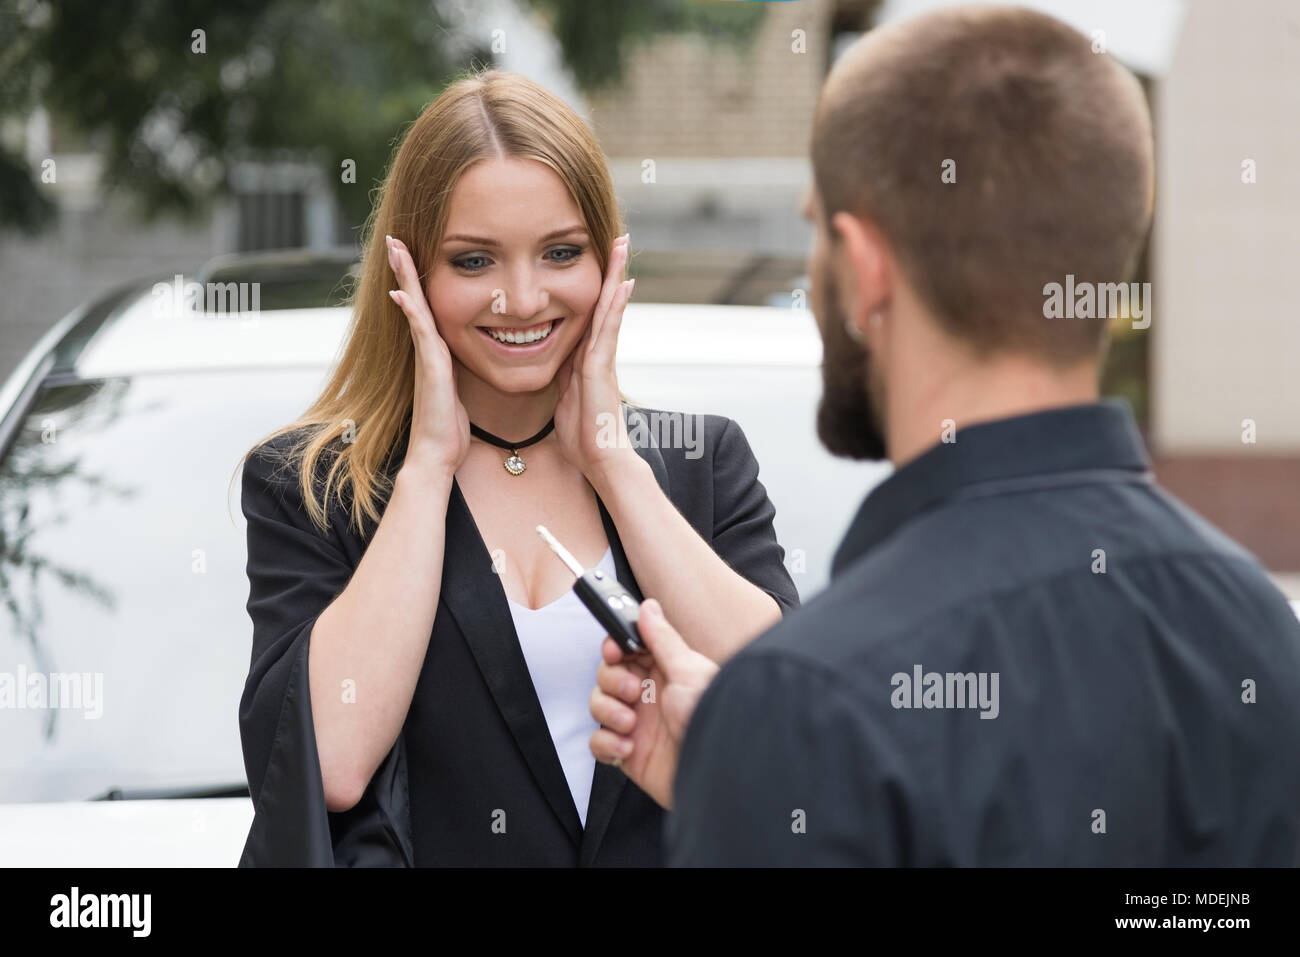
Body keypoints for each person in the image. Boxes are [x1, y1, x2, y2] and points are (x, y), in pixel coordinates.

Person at [588, 5, 1300, 865]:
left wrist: (761, 770)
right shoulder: (1264, 636)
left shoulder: (807, 708)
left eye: (818, 235)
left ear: (868, 268)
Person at [234, 70, 799, 866]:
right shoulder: (313, 489)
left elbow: (787, 721)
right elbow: (331, 763)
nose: (523, 298)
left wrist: (612, 462)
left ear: (607, 260)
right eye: (474, 262)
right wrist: (429, 464)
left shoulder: (703, 464)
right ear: (411, 270)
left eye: (560, 252)